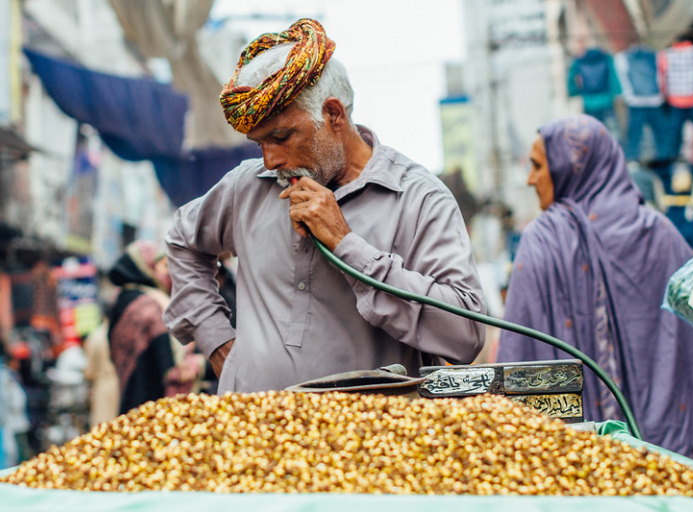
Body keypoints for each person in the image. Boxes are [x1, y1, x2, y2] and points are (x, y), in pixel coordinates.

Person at [163, 19, 486, 393]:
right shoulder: (247, 187)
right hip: (251, 437)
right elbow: (182, 239)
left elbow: (465, 337)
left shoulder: (418, 198)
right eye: (259, 144)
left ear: (334, 114)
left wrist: (346, 243)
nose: (269, 161)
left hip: (369, 442)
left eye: (281, 137)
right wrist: (217, 339)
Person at [495, 114, 693, 458]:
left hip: (576, 462)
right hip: (669, 461)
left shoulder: (542, 239)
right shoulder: (659, 233)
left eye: (537, 165)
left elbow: (515, 363)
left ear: (570, 168)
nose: (531, 178)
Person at [107, 240, 206, 414]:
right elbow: (169, 368)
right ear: (146, 267)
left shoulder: (122, 300)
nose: (168, 272)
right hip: (155, 404)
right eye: (162, 266)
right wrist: (201, 365)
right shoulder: (151, 306)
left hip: (129, 398)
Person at [657, 35, 693, 159]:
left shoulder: (665, 54)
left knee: (674, 136)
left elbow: (661, 78)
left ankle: (672, 161)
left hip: (675, 101)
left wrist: (663, 95)